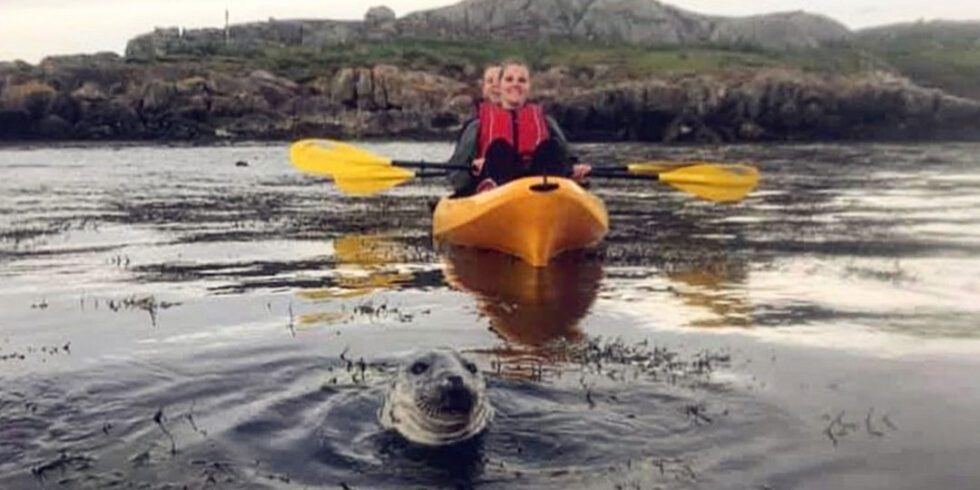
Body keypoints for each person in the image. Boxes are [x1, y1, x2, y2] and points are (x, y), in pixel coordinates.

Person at [448, 60, 591, 197]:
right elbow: (456, 177)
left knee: (550, 148)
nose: (516, 84)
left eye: (522, 80)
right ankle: (492, 186)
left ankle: (550, 198)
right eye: (509, 80)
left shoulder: (546, 122)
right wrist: (474, 170)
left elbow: (568, 159)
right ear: (500, 85)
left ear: (529, 87)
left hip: (540, 186)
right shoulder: (476, 125)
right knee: (499, 148)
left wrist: (574, 169)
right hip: (498, 190)